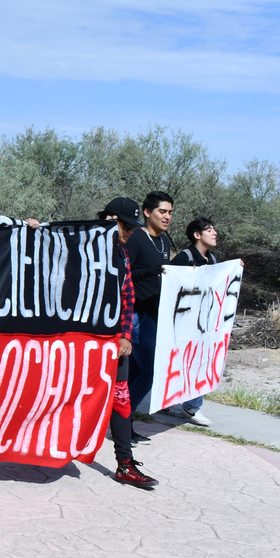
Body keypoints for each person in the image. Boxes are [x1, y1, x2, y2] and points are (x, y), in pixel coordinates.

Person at [98, 197, 159, 489]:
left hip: (113, 341)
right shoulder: (81, 248)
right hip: (81, 341)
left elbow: (128, 296)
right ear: (110, 219)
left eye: (134, 227)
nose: (130, 231)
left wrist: (124, 334)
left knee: (120, 398)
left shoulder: (123, 254)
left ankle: (125, 464)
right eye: (125, 225)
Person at [160, 217, 221, 427]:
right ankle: (182, 404)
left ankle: (190, 405)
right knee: (179, 362)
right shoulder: (184, 258)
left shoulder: (212, 260)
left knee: (201, 362)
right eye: (209, 230)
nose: (214, 233)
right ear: (197, 235)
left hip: (203, 324)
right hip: (184, 323)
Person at [126, 190, 174, 414]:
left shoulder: (164, 240)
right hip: (137, 315)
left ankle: (122, 423)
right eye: (162, 211)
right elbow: (123, 275)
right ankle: (125, 420)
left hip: (155, 315)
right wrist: (147, 272)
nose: (167, 217)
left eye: (170, 213)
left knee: (135, 372)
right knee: (149, 371)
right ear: (147, 212)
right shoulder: (135, 238)